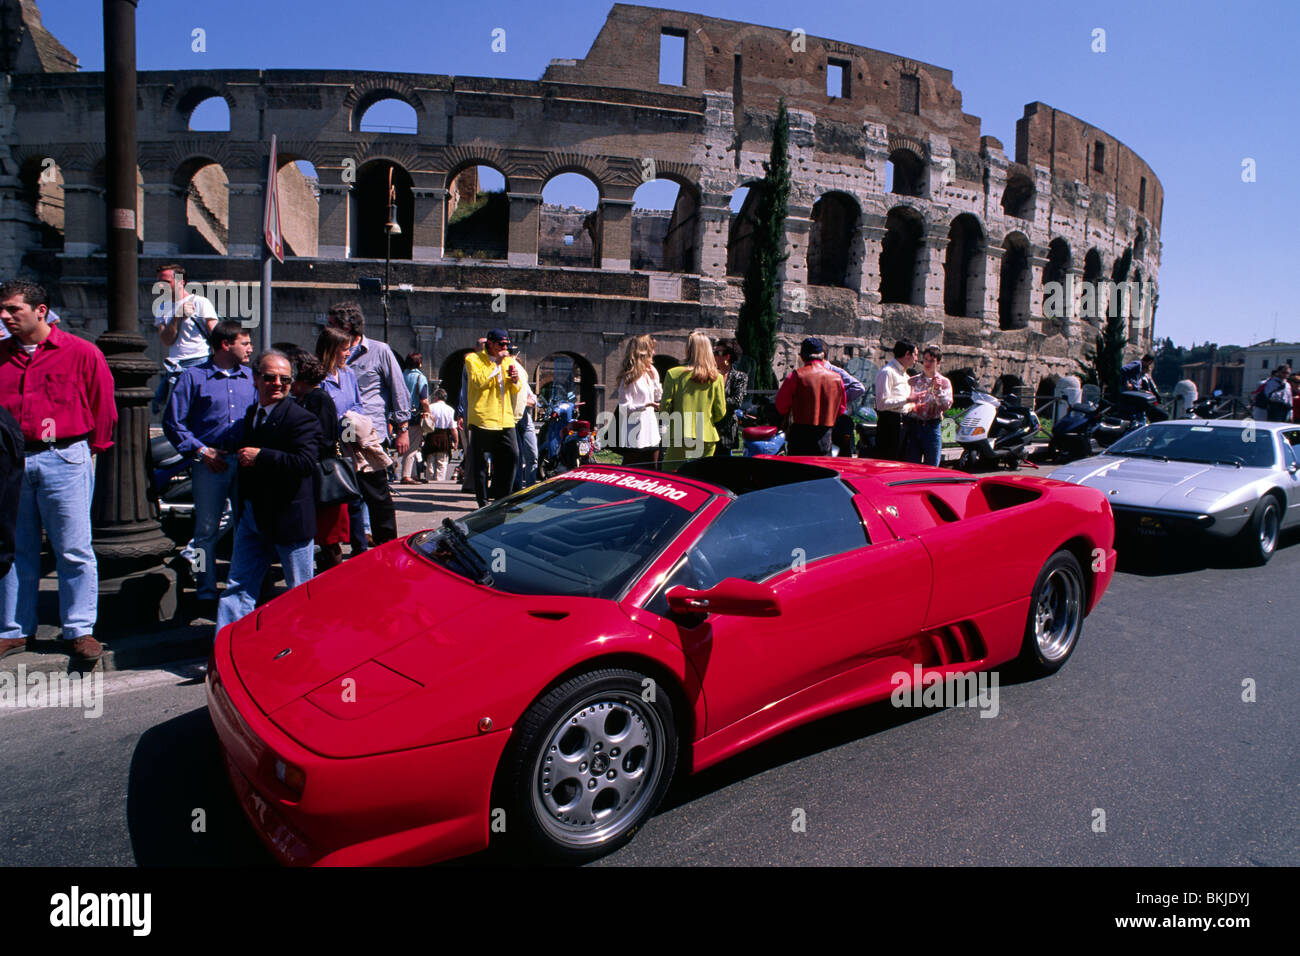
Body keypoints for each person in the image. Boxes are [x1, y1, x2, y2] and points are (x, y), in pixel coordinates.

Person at [0, 280, 116, 663]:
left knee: (73, 548)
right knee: (16, 548)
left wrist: (90, 453)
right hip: (12, 462)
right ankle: (14, 630)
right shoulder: (1, 355)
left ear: (41, 311)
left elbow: (103, 407)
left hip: (64, 456)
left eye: (13, 309)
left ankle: (79, 629)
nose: (4, 316)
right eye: (2, 309)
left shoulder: (81, 353)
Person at [216, 351, 322, 632]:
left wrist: (262, 456)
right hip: (253, 516)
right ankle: (224, 650)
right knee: (238, 588)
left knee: (299, 593)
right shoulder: (252, 414)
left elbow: (305, 463)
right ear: (255, 379)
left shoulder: (302, 418)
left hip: (289, 520)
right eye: (270, 377)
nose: (277, 383)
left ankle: (302, 653)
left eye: (284, 379)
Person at [162, 320, 256, 610]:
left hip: (244, 462)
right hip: (209, 463)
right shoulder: (192, 378)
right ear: (226, 345)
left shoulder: (252, 378)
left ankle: (242, 584)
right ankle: (204, 587)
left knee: (246, 526)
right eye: (245, 342)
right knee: (205, 531)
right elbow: (174, 423)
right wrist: (201, 452)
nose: (250, 347)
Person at [326, 302, 409, 550]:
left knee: (377, 494)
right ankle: (357, 544)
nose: (328, 328)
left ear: (347, 326)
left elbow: (398, 388)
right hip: (339, 437)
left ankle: (386, 544)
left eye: (332, 324)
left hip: (369, 435)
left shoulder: (379, 351)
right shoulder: (331, 352)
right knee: (347, 494)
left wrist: (403, 428)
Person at [289, 352, 348, 572]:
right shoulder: (305, 399)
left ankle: (334, 578)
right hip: (313, 473)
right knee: (322, 536)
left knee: (328, 538)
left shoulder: (318, 399)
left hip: (321, 475)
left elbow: (324, 439)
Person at [464, 328, 522, 505]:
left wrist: (515, 380)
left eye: (506, 344)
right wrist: (496, 363)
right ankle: (482, 503)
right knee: (481, 465)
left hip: (505, 418)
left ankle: (501, 498)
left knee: (512, 455)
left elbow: (515, 389)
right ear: (490, 343)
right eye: (501, 344)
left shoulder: (508, 361)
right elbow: (478, 382)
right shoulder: (473, 359)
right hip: (483, 418)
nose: (504, 347)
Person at [152, 264, 218, 413]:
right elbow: (166, 340)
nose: (161, 286)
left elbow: (215, 334)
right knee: (165, 408)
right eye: (159, 282)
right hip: (175, 365)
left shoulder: (200, 302)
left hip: (199, 361)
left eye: (166, 282)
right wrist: (177, 317)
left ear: (181, 282)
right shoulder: (162, 307)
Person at [774, 337, 846, 457]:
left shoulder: (796, 376)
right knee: (823, 472)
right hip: (825, 434)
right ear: (822, 356)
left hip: (800, 434)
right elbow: (841, 409)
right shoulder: (836, 378)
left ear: (802, 356)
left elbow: (781, 406)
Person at [661, 331, 726, 460]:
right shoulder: (717, 378)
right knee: (701, 477)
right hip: (707, 435)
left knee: (671, 475)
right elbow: (720, 411)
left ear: (688, 349)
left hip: (680, 433)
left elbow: (665, 408)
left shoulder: (673, 374)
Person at [613, 334, 663, 466]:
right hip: (635, 436)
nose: (654, 352)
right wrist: (645, 405)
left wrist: (655, 380)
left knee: (652, 474)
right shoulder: (629, 377)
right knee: (630, 473)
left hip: (652, 433)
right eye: (652, 349)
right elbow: (624, 408)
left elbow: (658, 398)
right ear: (643, 351)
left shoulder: (651, 372)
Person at [901, 346, 954, 466]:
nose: (927, 363)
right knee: (911, 466)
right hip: (914, 426)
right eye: (925, 359)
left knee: (932, 467)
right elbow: (905, 402)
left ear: (938, 363)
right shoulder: (913, 381)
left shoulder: (944, 382)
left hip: (932, 427)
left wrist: (938, 390)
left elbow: (946, 406)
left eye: (932, 361)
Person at [874, 340, 917, 460]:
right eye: (915, 355)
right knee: (889, 461)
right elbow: (881, 404)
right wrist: (907, 400)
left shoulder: (905, 375)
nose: (916, 359)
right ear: (908, 354)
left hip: (905, 423)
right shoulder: (887, 372)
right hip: (890, 423)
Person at [510, 350, 539, 490]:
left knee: (532, 455)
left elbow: (533, 399)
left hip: (526, 419)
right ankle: (515, 489)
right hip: (512, 418)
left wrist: (525, 401)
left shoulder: (523, 379)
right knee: (515, 456)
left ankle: (530, 489)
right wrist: (525, 401)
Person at [713, 338, 747, 458]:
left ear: (727, 356)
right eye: (714, 352)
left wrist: (715, 401)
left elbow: (737, 401)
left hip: (726, 429)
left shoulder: (739, 377)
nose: (714, 356)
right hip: (709, 426)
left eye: (717, 353)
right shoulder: (709, 375)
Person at [400, 351, 430, 484]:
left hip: (400, 415)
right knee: (412, 446)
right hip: (414, 415)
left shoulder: (402, 375)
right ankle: (406, 475)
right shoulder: (420, 378)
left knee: (407, 443)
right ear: (420, 363)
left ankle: (413, 474)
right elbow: (423, 400)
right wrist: (428, 412)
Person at [422, 388, 457, 481]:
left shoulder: (430, 407)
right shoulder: (450, 410)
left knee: (430, 463)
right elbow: (453, 428)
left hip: (431, 436)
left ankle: (429, 481)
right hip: (444, 437)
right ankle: (439, 481)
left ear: (436, 397)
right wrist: (456, 441)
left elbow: (425, 423)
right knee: (442, 463)